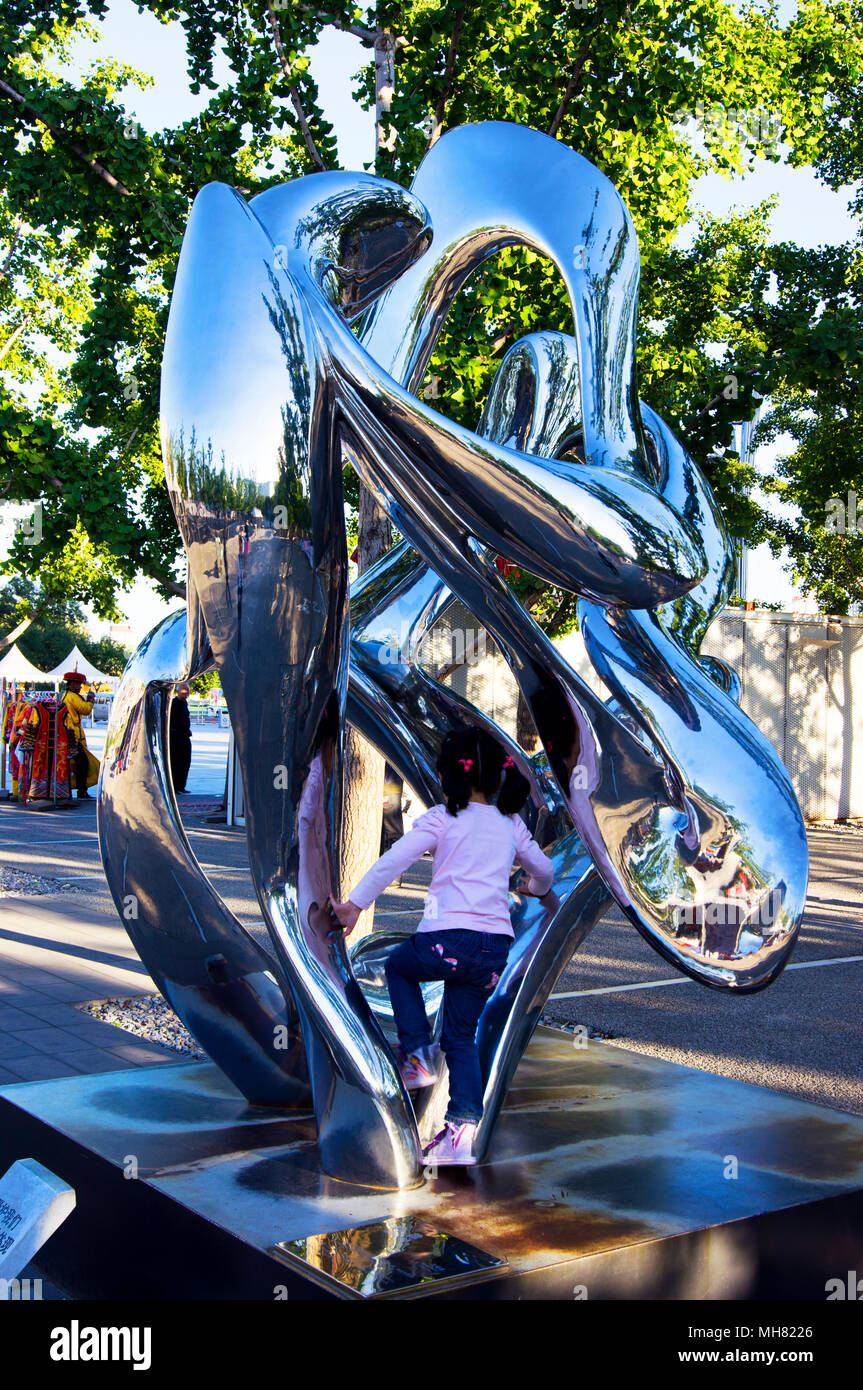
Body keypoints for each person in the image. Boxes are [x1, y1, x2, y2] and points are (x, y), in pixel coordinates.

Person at [329, 727, 555, 1167]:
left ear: (449, 776)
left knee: (399, 968)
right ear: (498, 779)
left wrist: (354, 905)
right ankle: (461, 1134)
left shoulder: (441, 818)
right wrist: (536, 889)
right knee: (460, 1038)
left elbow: (394, 859)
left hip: (447, 939)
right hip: (492, 952)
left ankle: (415, 1055)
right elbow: (543, 870)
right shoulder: (511, 825)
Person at [60, 671, 99, 801]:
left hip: (67, 734)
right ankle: (81, 790)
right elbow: (85, 709)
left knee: (73, 763)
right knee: (83, 763)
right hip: (73, 736)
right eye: (79, 684)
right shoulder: (72, 697)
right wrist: (90, 700)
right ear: (72, 684)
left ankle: (73, 789)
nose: (81, 687)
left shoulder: (62, 695)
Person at [169, 682, 192, 793]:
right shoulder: (174, 703)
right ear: (178, 691)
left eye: (187, 691)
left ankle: (181, 785)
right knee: (176, 762)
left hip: (185, 736)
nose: (186, 693)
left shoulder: (185, 703)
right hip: (176, 737)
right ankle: (175, 786)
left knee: (185, 762)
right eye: (184, 691)